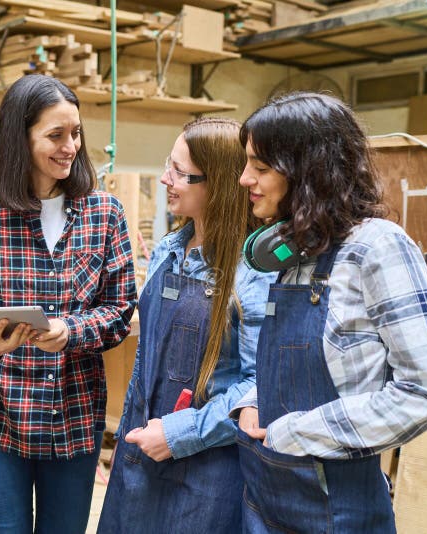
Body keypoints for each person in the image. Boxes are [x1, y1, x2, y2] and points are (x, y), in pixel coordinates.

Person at [233, 92, 427, 533]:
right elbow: (283, 371)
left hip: (336, 510)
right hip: (264, 497)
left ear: (308, 171)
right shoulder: (294, 251)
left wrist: (294, 433)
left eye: (259, 167)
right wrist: (253, 402)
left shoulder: (378, 248)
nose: (244, 179)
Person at [0, 74, 137, 534]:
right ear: (20, 137)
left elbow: (119, 308)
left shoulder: (104, 213)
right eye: (55, 135)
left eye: (76, 133)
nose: (70, 146)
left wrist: (72, 331)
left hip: (74, 415)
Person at [97, 118, 275, 533]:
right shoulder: (168, 249)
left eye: (179, 172)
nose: (165, 179)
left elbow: (260, 388)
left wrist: (180, 433)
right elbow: (146, 362)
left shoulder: (254, 275)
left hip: (206, 474)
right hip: (138, 455)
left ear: (220, 183)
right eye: (168, 165)